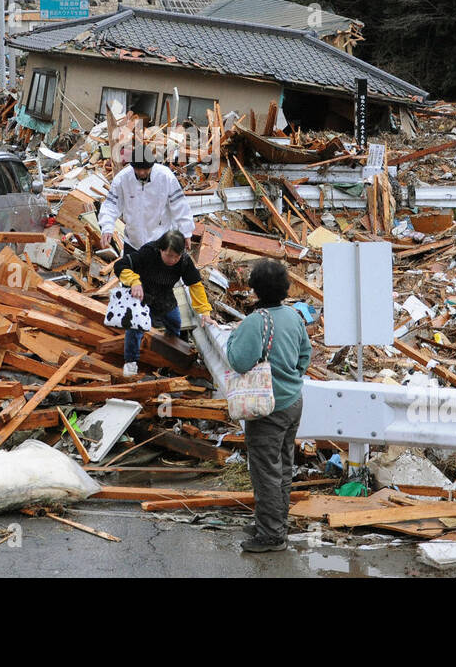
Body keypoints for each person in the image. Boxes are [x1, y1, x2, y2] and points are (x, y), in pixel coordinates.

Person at [226, 259, 312, 553]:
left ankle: (271, 535)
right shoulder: (294, 316)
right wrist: (292, 377)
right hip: (292, 402)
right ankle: (275, 522)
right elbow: (305, 354)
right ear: (285, 288)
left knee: (265, 472)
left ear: (256, 289)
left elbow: (238, 361)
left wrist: (232, 339)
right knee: (284, 467)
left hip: (267, 407)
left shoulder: (255, 321)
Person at [113, 229, 212, 378]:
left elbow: (195, 285)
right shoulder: (148, 252)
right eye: (169, 256)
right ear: (161, 249)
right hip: (142, 293)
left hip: (164, 295)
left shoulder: (184, 261)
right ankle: (131, 362)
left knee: (175, 323)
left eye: (176, 257)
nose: (172, 260)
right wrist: (134, 282)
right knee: (135, 328)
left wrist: (204, 311)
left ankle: (169, 361)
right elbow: (121, 265)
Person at [98, 156, 194, 253]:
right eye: (138, 169)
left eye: (145, 169)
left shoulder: (165, 177)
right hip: (133, 242)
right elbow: (111, 205)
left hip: (161, 241)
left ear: (152, 166)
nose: (141, 172)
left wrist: (186, 232)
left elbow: (180, 205)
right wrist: (107, 228)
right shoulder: (122, 179)